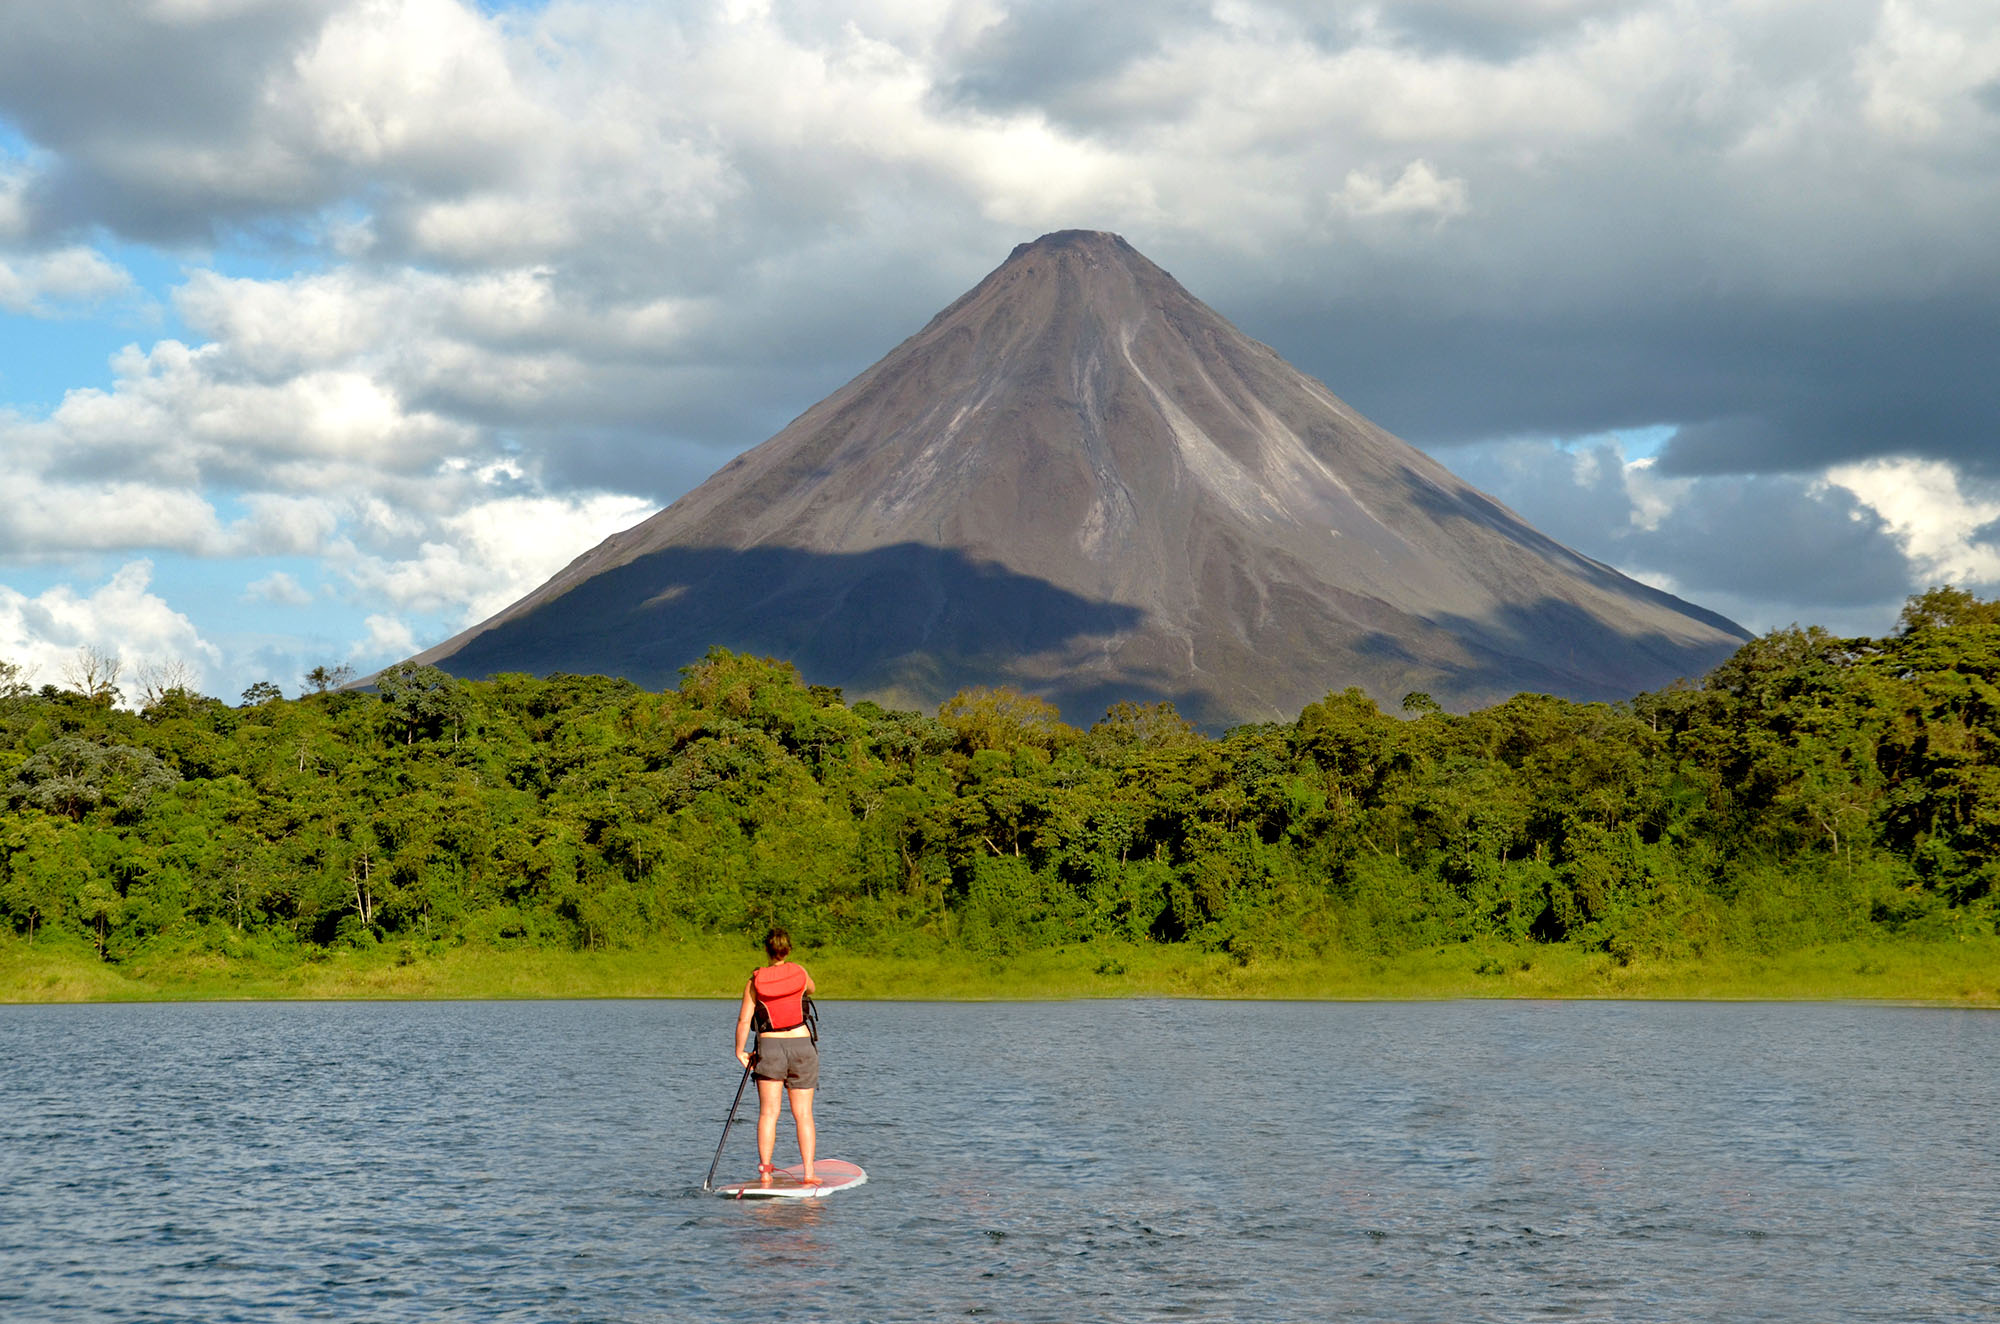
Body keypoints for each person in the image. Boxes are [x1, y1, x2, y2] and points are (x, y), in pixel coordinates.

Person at [734, 927, 818, 1183]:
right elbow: (812, 989)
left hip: (769, 1048)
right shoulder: (800, 972)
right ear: (788, 950)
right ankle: (809, 1173)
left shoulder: (755, 981)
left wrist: (740, 1051)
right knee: (803, 1114)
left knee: (768, 1113)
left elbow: (744, 1020)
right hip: (802, 1046)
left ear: (766, 950)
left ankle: (766, 1175)